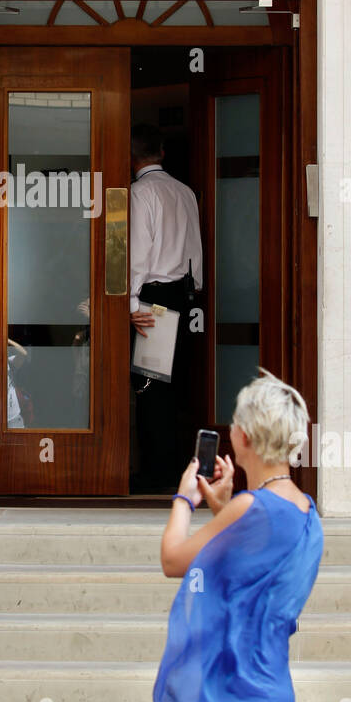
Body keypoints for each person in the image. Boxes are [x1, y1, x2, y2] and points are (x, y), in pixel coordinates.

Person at [148, 370, 323, 702]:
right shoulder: (300, 507)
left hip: (236, 697)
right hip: (242, 688)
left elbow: (172, 560)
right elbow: (247, 566)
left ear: (241, 436)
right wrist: (221, 507)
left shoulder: (254, 509)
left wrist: (184, 497)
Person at [129, 123, 203, 491]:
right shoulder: (186, 191)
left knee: (150, 387)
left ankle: (156, 474)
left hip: (154, 297)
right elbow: (196, 250)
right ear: (161, 152)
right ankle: (174, 468)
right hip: (186, 295)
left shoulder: (141, 193)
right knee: (176, 388)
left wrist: (129, 301)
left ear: (132, 156)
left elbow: (138, 253)